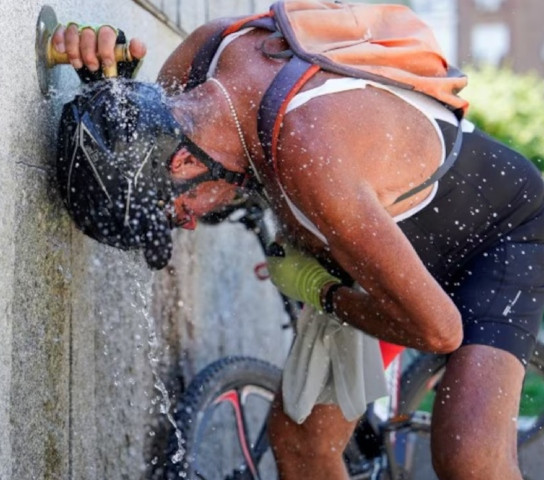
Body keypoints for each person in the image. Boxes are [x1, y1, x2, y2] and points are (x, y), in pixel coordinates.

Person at [52, 2, 544, 479]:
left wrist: (321, 291)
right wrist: (107, 87)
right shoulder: (205, 56)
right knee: (301, 442)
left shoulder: (311, 155)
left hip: (499, 233)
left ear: (184, 165)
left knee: (468, 459)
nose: (187, 224)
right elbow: (143, 132)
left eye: (179, 211)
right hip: (376, 246)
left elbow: (440, 331)